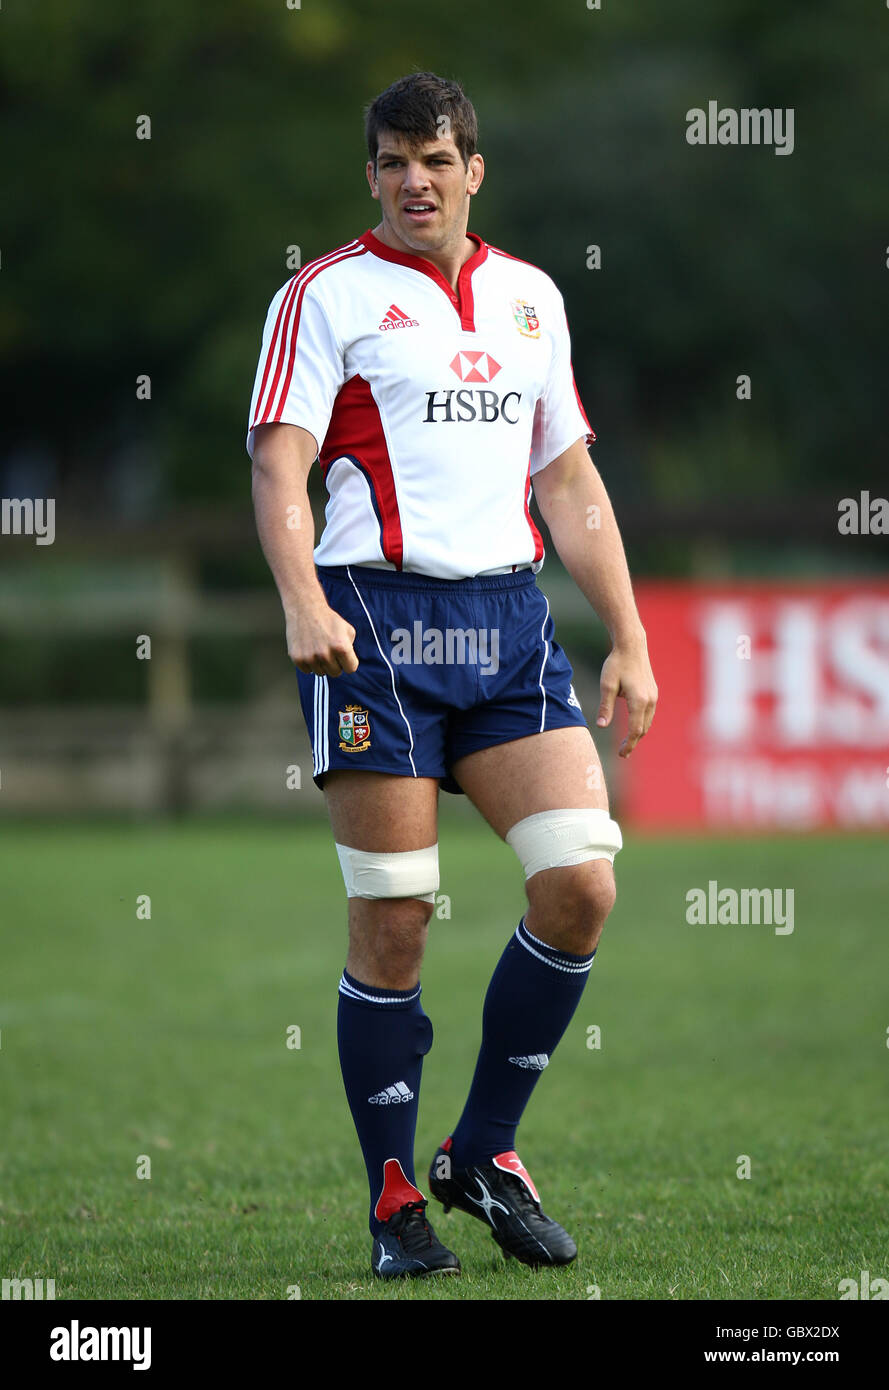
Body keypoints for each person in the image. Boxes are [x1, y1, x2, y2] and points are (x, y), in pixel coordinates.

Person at [248, 71, 657, 1280]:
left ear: (473, 169)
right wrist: (301, 598)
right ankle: (391, 1202)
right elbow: (280, 470)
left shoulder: (530, 298)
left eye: (434, 158)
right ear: (370, 174)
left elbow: (568, 482)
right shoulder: (324, 294)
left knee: (581, 886)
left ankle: (482, 1151)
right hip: (374, 619)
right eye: (390, 161)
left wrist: (627, 632)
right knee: (394, 918)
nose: (413, 180)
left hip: (506, 622)